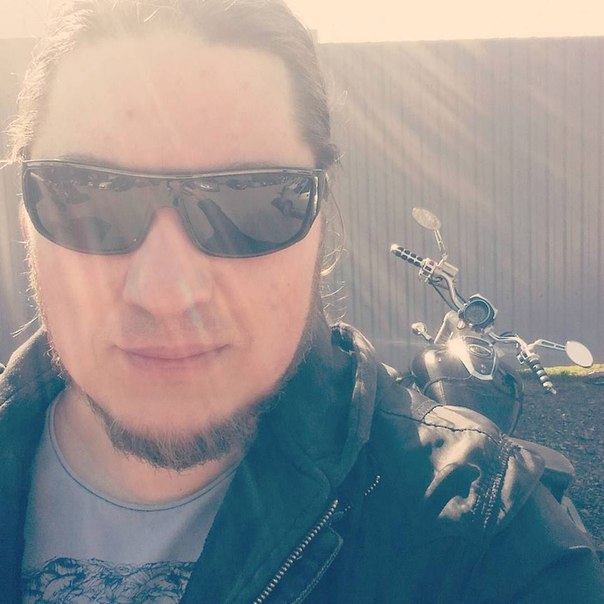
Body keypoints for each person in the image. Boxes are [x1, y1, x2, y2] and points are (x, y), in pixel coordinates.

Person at [1, 0, 603, 602]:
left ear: (323, 219)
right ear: (23, 214)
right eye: (87, 196)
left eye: (251, 200)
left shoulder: (491, 540)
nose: (164, 294)